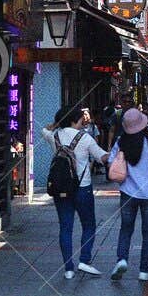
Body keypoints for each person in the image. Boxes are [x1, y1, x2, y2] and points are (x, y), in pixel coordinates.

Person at [41, 106, 107, 279]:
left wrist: (57, 123)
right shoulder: (85, 138)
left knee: (65, 227)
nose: (82, 123)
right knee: (89, 225)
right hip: (82, 189)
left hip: (61, 189)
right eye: (80, 120)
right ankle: (84, 259)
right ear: (74, 120)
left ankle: (68, 269)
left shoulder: (52, 136)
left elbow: (45, 129)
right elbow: (102, 157)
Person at [108, 108, 148, 281]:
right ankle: (144, 270)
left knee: (126, 228)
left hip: (128, 192)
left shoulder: (120, 143)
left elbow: (111, 162)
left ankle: (122, 259)